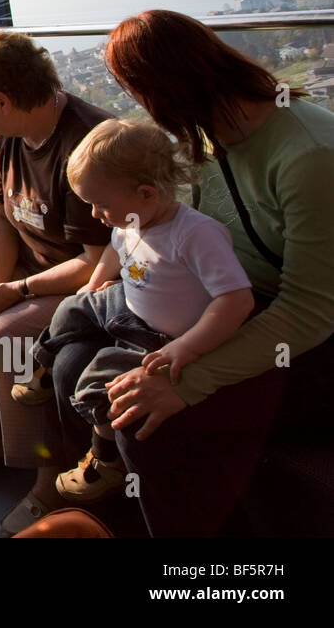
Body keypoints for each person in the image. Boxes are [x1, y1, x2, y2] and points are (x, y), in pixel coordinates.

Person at [81, 9, 334, 536]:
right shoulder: (212, 137)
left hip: (313, 343)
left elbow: (309, 312)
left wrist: (190, 381)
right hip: (244, 306)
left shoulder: (307, 155)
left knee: (145, 423)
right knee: (78, 362)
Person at [13, 119, 254, 505]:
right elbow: (115, 249)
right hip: (128, 302)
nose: (94, 214)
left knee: (100, 381)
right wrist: (96, 284)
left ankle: (105, 461)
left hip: (163, 339)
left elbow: (237, 299)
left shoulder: (194, 234)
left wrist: (186, 349)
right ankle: (40, 365)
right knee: (72, 306)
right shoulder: (129, 219)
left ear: (145, 193)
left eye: (100, 204)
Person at [0, 32, 112, 536]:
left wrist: (15, 292)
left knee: (9, 331)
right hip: (26, 263)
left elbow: (95, 261)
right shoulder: (12, 130)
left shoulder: (86, 143)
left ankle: (47, 477)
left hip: (77, 279)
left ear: (2, 101)